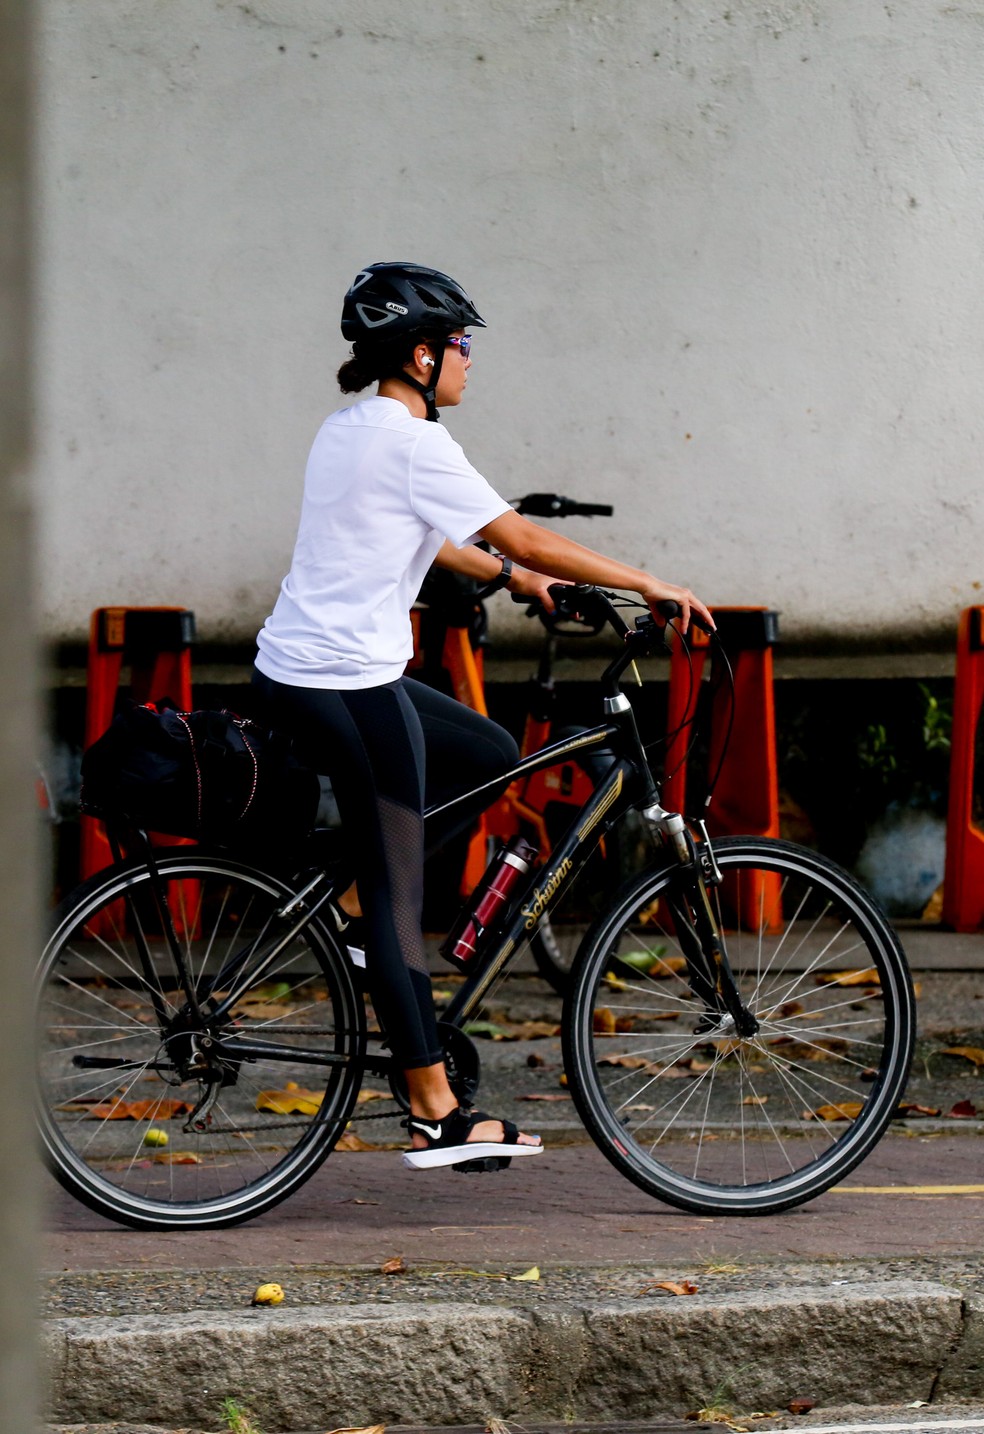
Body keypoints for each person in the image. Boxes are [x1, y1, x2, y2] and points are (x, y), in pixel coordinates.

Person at [252, 261, 714, 1173]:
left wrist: (522, 584)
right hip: (347, 683)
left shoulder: (354, 429)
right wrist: (647, 580)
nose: (469, 360)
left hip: (300, 671)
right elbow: (517, 528)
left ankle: (352, 903)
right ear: (421, 356)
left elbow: (440, 536)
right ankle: (434, 1108)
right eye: (461, 344)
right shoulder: (417, 443)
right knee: (398, 898)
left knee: (487, 750)